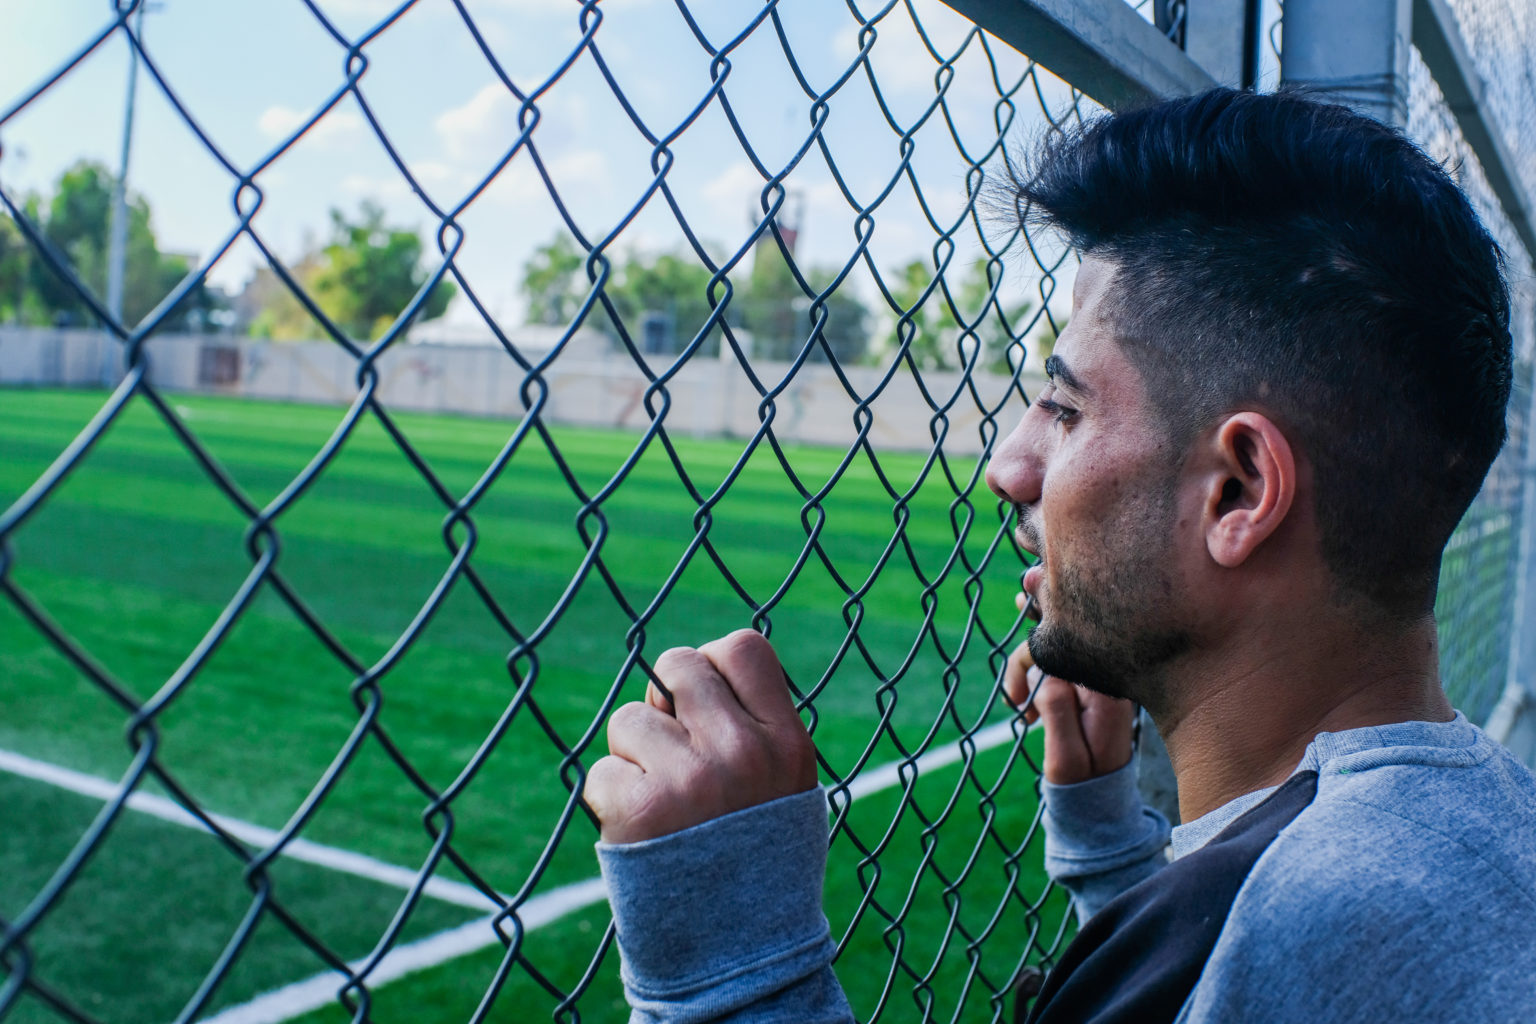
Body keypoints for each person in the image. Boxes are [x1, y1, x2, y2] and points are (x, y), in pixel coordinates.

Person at [582, 88, 1536, 1023]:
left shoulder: (1315, 930)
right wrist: (1127, 873)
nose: (1008, 467)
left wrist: (737, 972)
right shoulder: (1477, 825)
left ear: (1239, 492)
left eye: (1068, 409)